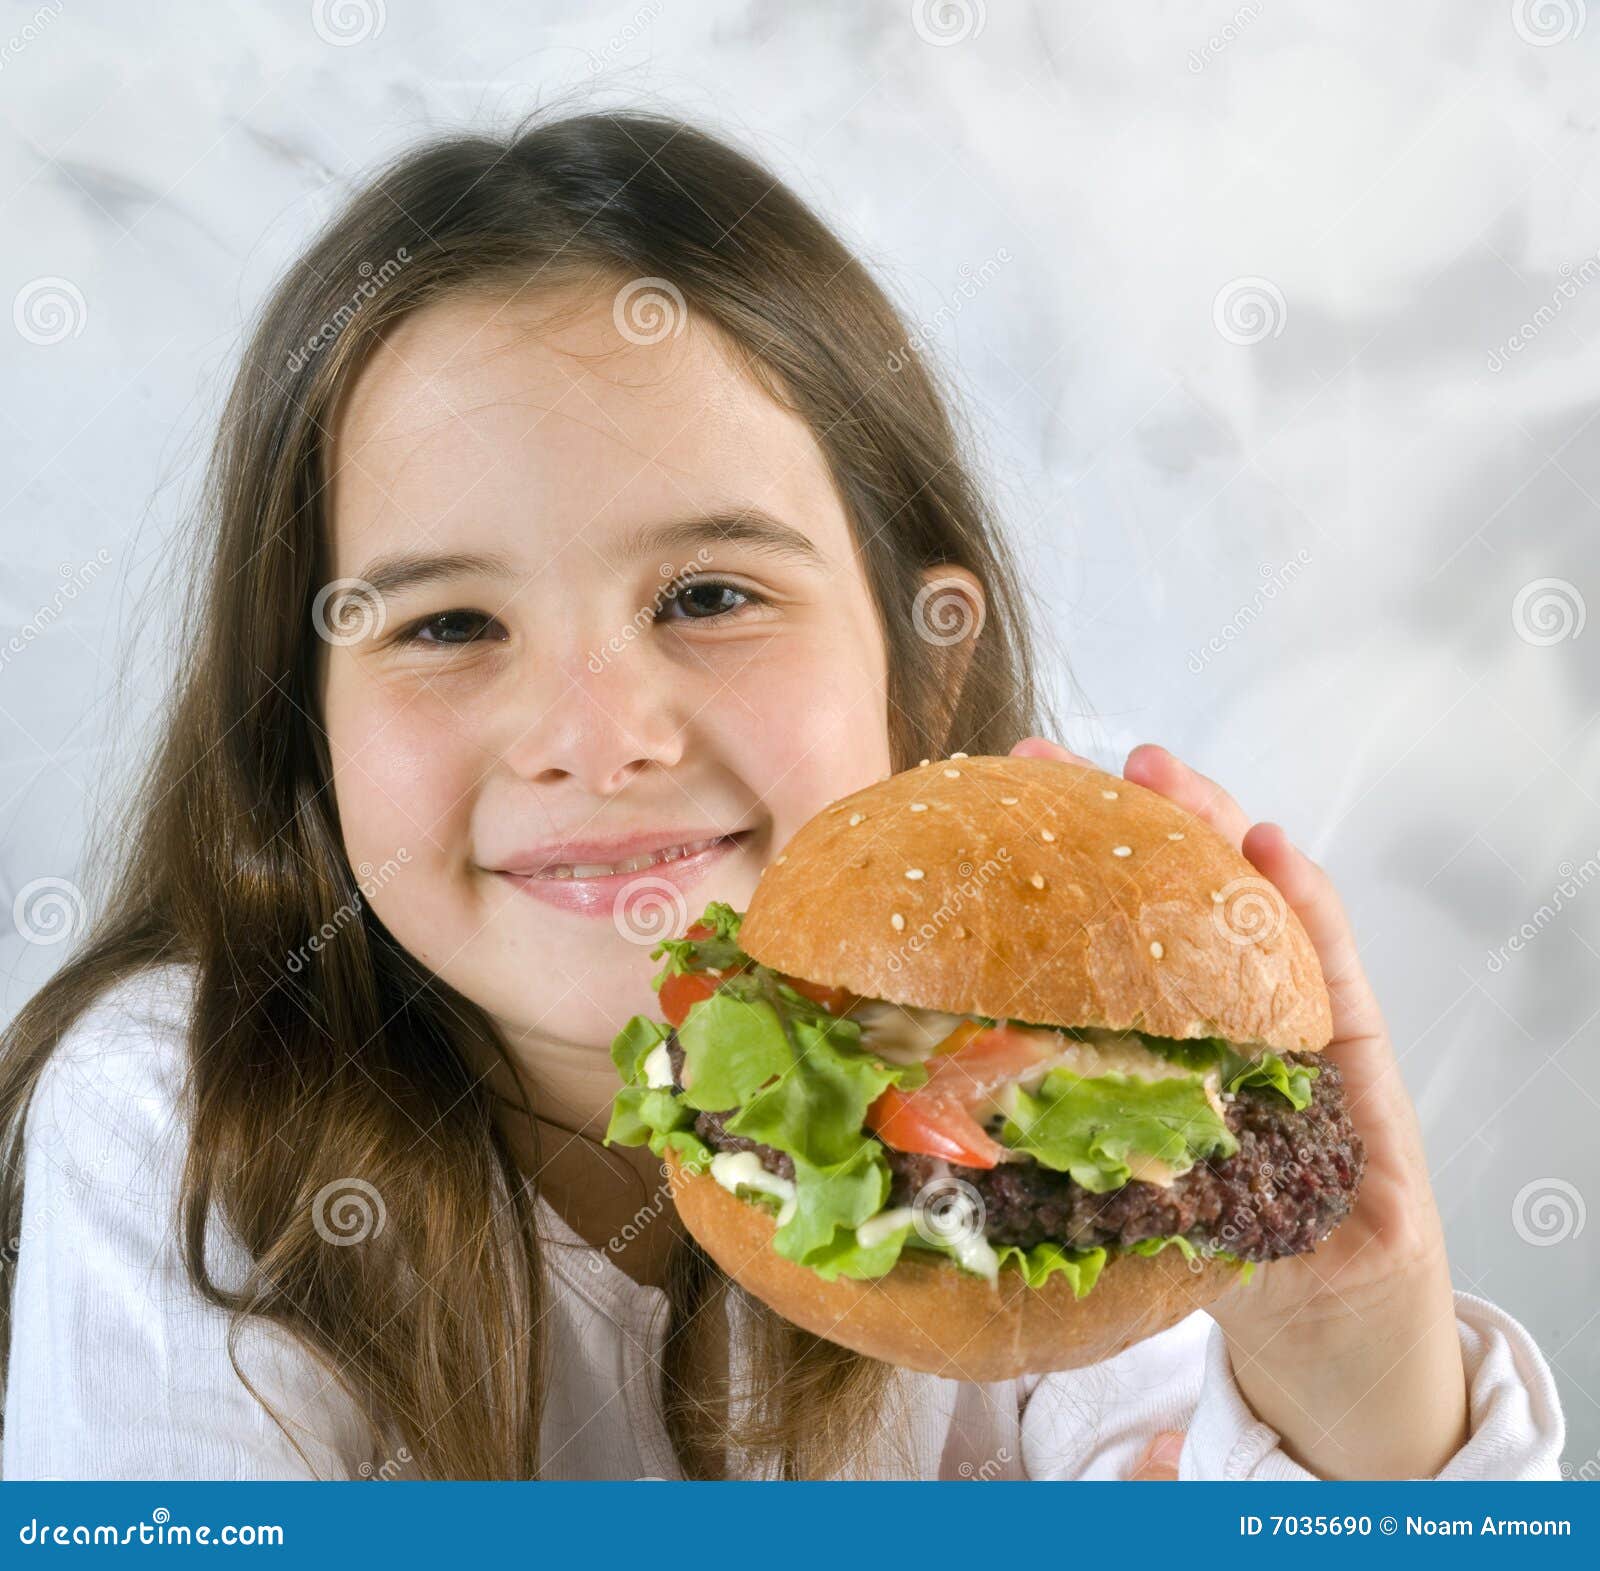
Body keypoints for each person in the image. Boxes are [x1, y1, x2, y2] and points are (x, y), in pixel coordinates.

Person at [0, 109, 1564, 1481]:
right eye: (448, 626)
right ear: (302, 726)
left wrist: (1360, 1371)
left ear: (927, 674)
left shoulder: (1072, 1161)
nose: (594, 740)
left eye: (706, 598)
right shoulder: (185, 1115)